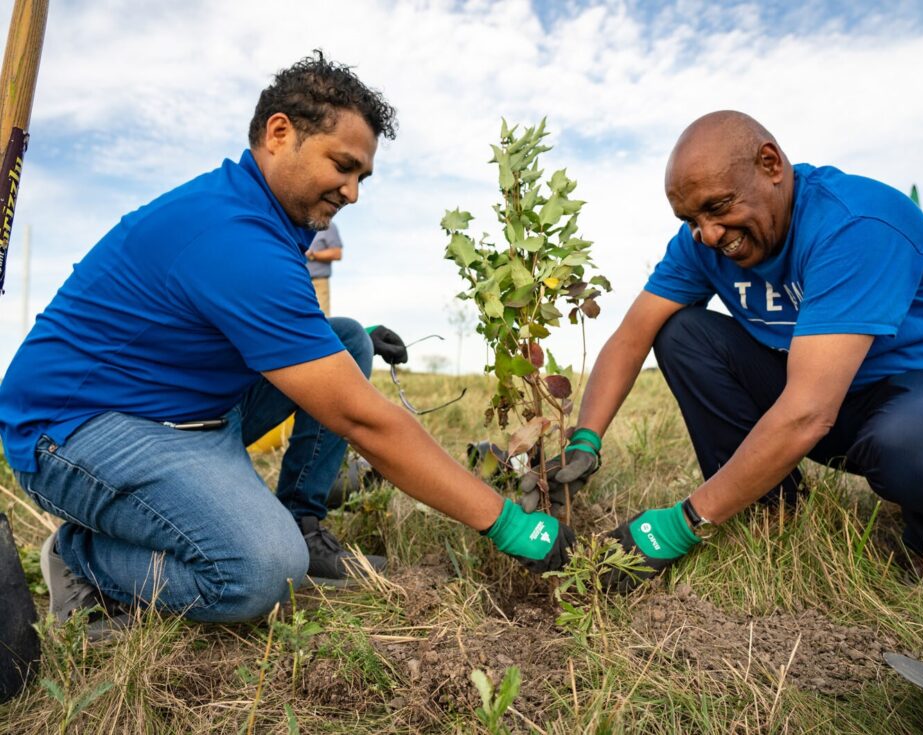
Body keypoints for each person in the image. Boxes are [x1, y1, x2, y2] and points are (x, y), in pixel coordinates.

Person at [0, 52, 574, 635]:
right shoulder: (233, 234)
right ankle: (83, 558)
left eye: (362, 177)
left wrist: (361, 345)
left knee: (346, 338)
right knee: (262, 572)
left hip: (183, 411)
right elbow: (363, 420)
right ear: (280, 133)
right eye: (343, 166)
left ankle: (301, 519)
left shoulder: (266, 218)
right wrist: (505, 523)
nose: (352, 192)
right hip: (76, 431)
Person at [523, 110, 923, 593]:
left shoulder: (855, 223)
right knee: (682, 333)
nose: (709, 235)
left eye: (718, 208)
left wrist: (681, 522)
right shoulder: (702, 240)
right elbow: (633, 337)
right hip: (835, 400)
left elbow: (808, 412)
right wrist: (585, 440)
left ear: (771, 165)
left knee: (916, 444)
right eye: (691, 218)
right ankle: (770, 507)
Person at [306, 221, 342, 315]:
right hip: (299, 281)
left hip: (318, 282)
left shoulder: (328, 226)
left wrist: (312, 255)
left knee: (321, 316)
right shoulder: (299, 226)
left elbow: (336, 253)